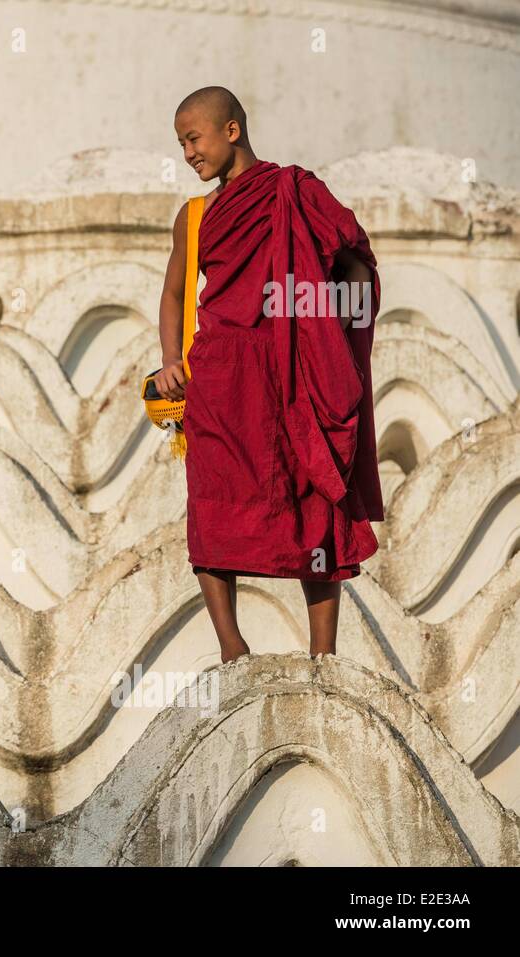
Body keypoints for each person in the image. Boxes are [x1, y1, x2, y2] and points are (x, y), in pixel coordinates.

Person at [155, 86, 383, 662]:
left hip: (293, 366)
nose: (188, 153)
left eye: (194, 138)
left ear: (231, 131)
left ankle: (323, 654)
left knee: (315, 490)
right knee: (211, 498)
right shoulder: (196, 215)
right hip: (222, 375)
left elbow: (355, 261)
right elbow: (175, 293)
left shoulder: (295, 191)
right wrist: (169, 361)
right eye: (180, 143)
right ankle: (231, 644)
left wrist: (328, 329)